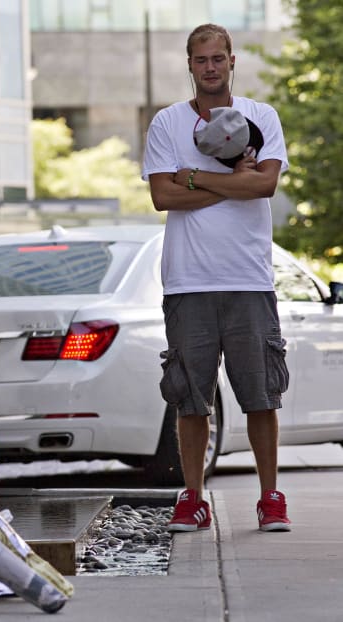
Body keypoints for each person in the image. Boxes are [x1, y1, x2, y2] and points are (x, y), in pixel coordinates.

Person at [142, 23, 291, 532]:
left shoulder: (261, 116)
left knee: (261, 396)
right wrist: (233, 181)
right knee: (190, 398)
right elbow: (162, 196)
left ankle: (270, 498)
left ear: (232, 61)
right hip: (188, 281)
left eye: (217, 58)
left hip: (249, 280)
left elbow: (265, 184)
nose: (210, 67)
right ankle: (193, 499)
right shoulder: (167, 122)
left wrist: (192, 177)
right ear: (190, 64)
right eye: (201, 59)